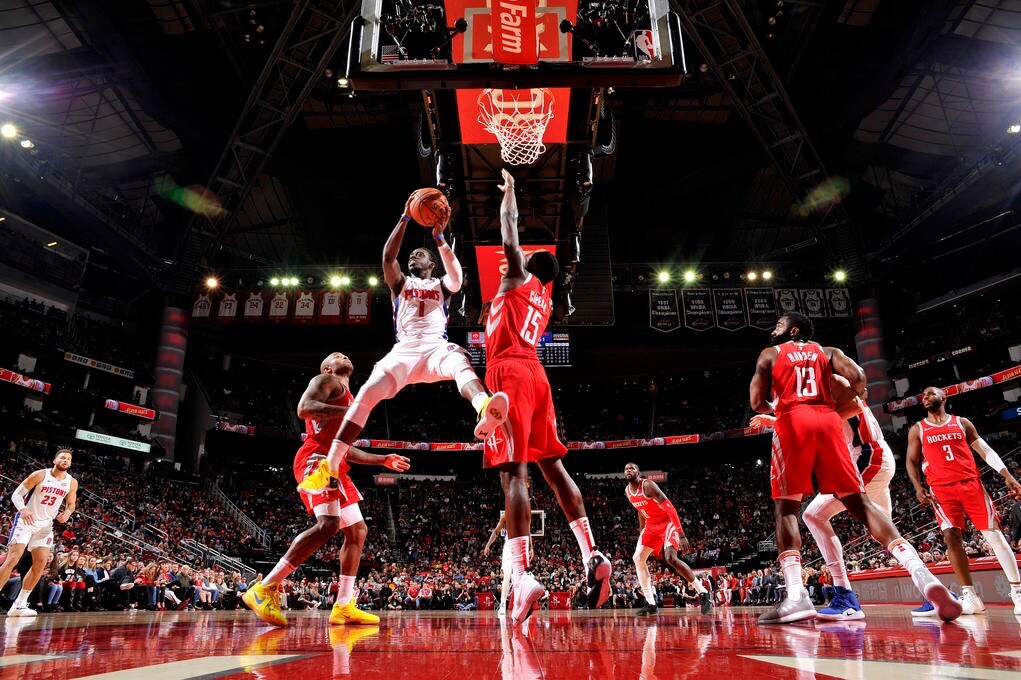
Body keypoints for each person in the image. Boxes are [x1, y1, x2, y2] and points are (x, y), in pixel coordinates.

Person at [749, 313, 960, 624]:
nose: (773, 329)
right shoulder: (829, 355)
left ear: (794, 330)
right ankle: (924, 578)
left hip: (847, 446)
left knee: (790, 508)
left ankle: (802, 595)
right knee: (865, 509)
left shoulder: (773, 355)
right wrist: (838, 402)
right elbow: (860, 378)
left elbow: (757, 401)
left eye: (779, 324)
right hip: (836, 431)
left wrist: (780, 413)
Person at [298, 195, 509, 493]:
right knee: (366, 393)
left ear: (431, 264)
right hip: (404, 351)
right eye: (411, 255)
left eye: (419, 255)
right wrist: (405, 217)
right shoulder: (400, 283)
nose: (412, 257)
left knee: (459, 361)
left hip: (436, 348)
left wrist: (439, 237)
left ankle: (483, 407)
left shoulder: (441, 285)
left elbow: (458, 277)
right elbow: (388, 258)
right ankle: (328, 467)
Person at [481, 169, 611, 625]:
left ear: (529, 263)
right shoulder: (546, 300)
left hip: (509, 372)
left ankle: (521, 576)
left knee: (514, 474)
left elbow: (508, 228)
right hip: (537, 375)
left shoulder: (517, 277)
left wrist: (511, 194)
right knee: (553, 467)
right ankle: (591, 552)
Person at [245, 352, 411, 628]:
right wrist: (353, 412)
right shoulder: (327, 381)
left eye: (343, 354)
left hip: (335, 462)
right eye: (334, 356)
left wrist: (382, 459)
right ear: (327, 368)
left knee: (357, 531)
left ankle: (344, 605)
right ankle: (265, 587)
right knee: (329, 524)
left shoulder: (348, 396)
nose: (342, 355)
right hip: (317, 458)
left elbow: (346, 450)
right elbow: (304, 408)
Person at [751, 390, 894, 620]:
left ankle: (845, 595)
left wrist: (775, 419)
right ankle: (933, 591)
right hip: (878, 454)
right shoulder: (841, 386)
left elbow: (813, 424)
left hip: (867, 456)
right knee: (888, 532)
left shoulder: (829, 388)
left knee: (813, 515)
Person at [906, 386, 1021, 616]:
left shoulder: (962, 423)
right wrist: (918, 486)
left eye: (930, 393)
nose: (925, 397)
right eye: (923, 395)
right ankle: (971, 596)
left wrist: (1006, 475)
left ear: (943, 397)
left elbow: (985, 450)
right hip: (941, 489)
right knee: (951, 537)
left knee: (993, 535)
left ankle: (1017, 591)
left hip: (970, 484)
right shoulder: (918, 429)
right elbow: (911, 460)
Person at [623, 462, 712, 616]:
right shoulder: (627, 491)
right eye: (626, 469)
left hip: (667, 522)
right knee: (637, 558)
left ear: (638, 472)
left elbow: (670, 507)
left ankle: (704, 593)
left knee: (670, 558)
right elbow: (640, 510)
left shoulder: (648, 485)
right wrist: (642, 532)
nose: (629, 470)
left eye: (632, 468)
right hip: (651, 526)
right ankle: (651, 603)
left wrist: (681, 534)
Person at [0, 448, 77, 617]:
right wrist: (23, 509)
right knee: (12, 559)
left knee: (40, 563)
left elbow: (71, 504)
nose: (65, 460)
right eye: (62, 457)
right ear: (54, 460)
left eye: (68, 459)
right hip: (26, 521)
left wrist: (67, 513)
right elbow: (17, 495)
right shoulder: (40, 475)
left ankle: (19, 604)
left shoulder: (71, 482)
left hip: (45, 525)